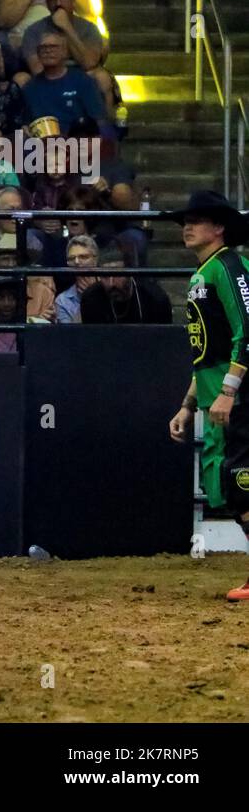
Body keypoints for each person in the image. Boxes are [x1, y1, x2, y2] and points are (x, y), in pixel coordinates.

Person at [167, 191, 249, 601]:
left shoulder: (230, 267)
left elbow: (247, 332)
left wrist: (230, 391)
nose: (187, 226)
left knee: (241, 483)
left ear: (219, 228)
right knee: (233, 487)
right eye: (186, 220)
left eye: (197, 220)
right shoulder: (207, 272)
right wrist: (188, 403)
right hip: (222, 396)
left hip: (241, 396)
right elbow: (208, 352)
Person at [18, 29, 110, 135]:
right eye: (43, 48)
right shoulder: (29, 88)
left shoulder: (83, 81)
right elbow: (25, 124)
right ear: (38, 54)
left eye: (53, 47)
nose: (48, 51)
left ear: (65, 52)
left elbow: (100, 121)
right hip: (42, 146)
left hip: (78, 144)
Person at [79, 245, 172, 325]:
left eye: (117, 274)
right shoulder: (90, 299)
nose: (111, 283)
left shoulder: (155, 299)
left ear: (130, 272)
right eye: (105, 276)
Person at [54, 233, 97, 324]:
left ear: (95, 260)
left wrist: (95, 293)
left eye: (83, 257)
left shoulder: (110, 285)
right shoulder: (62, 301)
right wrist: (87, 299)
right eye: (72, 258)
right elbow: (71, 335)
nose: (76, 262)